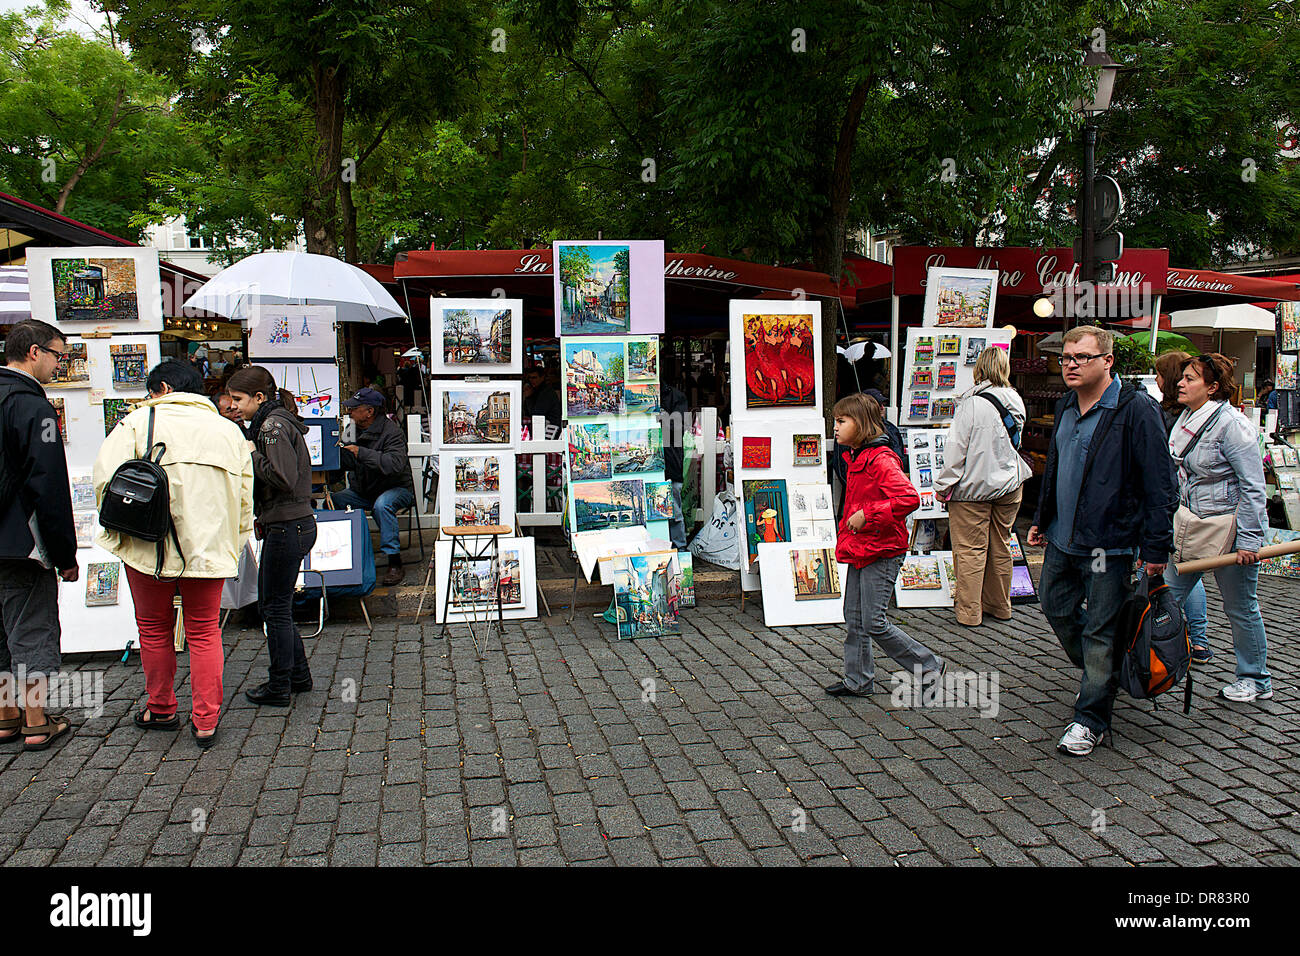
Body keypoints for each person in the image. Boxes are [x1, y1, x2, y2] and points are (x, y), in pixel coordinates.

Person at [1027, 326, 1176, 757]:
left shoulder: (1135, 410)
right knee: (1055, 606)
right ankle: (1105, 672)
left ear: (1107, 361)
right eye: (1066, 357)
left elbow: (1159, 483)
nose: (1071, 364)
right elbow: (1057, 466)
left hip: (1107, 545)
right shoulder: (1066, 404)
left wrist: (1154, 548)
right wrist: (1043, 517)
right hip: (1062, 537)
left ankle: (1090, 718)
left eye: (1082, 357)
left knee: (1100, 630)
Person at [94, 360, 253, 748]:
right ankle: (205, 720)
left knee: (153, 628)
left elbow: (105, 482)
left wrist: (119, 533)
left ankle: (162, 707)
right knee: (203, 631)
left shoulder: (136, 423)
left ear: (162, 388)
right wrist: (234, 540)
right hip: (209, 547)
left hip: (147, 545)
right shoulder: (228, 430)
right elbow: (246, 496)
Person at [1163, 354, 1272, 702]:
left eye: (1191, 379)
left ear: (1212, 387)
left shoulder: (1231, 424)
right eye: (1182, 377)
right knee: (1166, 597)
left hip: (1230, 532)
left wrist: (1250, 541)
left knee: (1240, 607)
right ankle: (1143, 666)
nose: (1181, 383)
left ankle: (1256, 679)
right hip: (1192, 527)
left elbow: (1253, 486)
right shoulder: (1186, 419)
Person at [827, 392, 944, 698]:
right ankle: (858, 680)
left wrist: (868, 515)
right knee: (854, 619)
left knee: (874, 621)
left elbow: (908, 498)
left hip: (882, 550)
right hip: (862, 548)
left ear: (862, 424)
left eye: (842, 421)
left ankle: (928, 665)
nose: (835, 427)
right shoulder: (857, 457)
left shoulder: (881, 459)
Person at [0, 320, 79, 751]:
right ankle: (34, 721)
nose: (58, 363)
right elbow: (47, 484)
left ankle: (5, 716)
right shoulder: (33, 406)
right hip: (20, 543)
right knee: (31, 628)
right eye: (57, 355)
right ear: (34, 352)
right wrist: (64, 553)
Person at [227, 366, 317, 708]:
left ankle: (280, 684)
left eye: (238, 399)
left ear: (259, 397)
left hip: (287, 526)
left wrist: (249, 451)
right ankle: (298, 676)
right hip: (290, 524)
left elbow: (282, 477)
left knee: (274, 608)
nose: (234, 406)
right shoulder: (274, 422)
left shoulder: (271, 426)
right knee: (278, 606)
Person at [932, 347, 1033, 627]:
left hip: (974, 488)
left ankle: (969, 613)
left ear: (979, 370)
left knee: (970, 550)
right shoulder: (1015, 399)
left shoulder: (972, 404)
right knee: (1001, 544)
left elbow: (956, 450)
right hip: (1010, 484)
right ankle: (1000, 606)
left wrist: (943, 486)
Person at [1154, 351, 1209, 664]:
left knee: (1177, 571)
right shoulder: (1190, 413)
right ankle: (1197, 639)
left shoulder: (1172, 415)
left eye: (1161, 375)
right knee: (1187, 571)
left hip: (1175, 503)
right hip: (1183, 502)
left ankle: (1164, 636)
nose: (1158, 381)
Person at [336, 387, 416, 585]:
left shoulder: (392, 432)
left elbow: (394, 465)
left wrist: (360, 452)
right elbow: (346, 460)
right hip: (365, 490)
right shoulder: (351, 429)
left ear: (369, 411)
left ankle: (394, 561)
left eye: (354, 409)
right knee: (336, 500)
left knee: (382, 505)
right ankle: (348, 556)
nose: (349, 412)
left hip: (397, 489)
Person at [660, 383, 689, 549]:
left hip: (670, 463)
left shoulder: (676, 397)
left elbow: (680, 427)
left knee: (674, 511)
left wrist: (660, 416)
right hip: (646, 464)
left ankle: (679, 548)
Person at [522, 366, 562, 437]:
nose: (531, 380)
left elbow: (536, 414)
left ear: (542, 377)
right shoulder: (536, 390)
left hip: (549, 429)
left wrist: (529, 397)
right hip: (543, 427)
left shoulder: (546, 393)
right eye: (530, 378)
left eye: (534, 378)